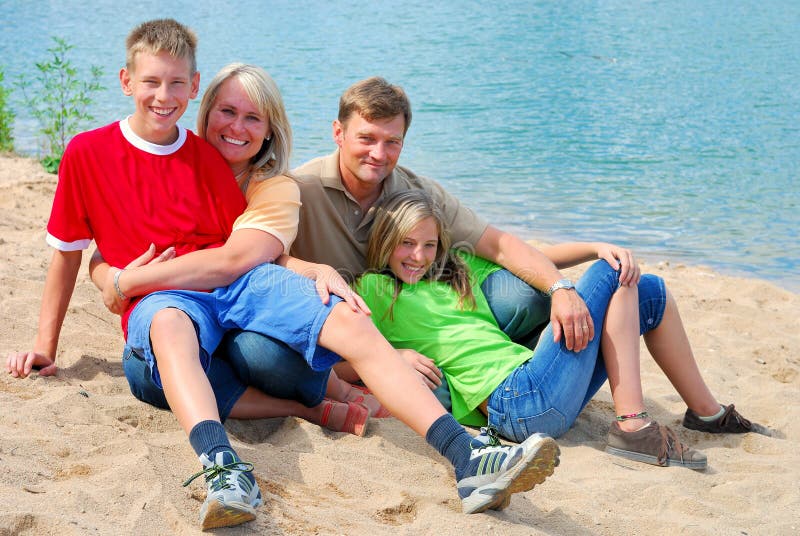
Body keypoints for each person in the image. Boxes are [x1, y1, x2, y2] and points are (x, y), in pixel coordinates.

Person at [6, 28, 561, 525]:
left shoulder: (210, 160)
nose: (164, 94)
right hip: (169, 295)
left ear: (192, 86)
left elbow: (240, 253)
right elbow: (70, 253)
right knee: (169, 331)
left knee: (350, 321)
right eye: (152, 81)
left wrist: (305, 269)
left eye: (177, 83)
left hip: (233, 282)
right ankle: (223, 467)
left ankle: (467, 459)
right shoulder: (88, 152)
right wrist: (50, 340)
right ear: (127, 80)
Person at [355, 190, 767, 469]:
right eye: (407, 243)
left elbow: (535, 258)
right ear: (385, 241)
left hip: (537, 382)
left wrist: (593, 247)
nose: (418, 255)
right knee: (614, 272)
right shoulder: (372, 288)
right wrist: (397, 357)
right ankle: (633, 426)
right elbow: (341, 355)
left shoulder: (454, 272)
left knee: (649, 291)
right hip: (513, 401)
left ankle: (707, 414)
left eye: (428, 245)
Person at [90, 62, 389, 437]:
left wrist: (127, 283)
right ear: (207, 111)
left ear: (269, 130)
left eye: (253, 118)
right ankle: (303, 410)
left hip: (250, 316)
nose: (236, 127)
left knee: (264, 356)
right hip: (188, 313)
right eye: (227, 112)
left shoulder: (273, 186)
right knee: (143, 374)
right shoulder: (171, 164)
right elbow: (108, 247)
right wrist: (111, 278)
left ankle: (339, 385)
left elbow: (238, 259)